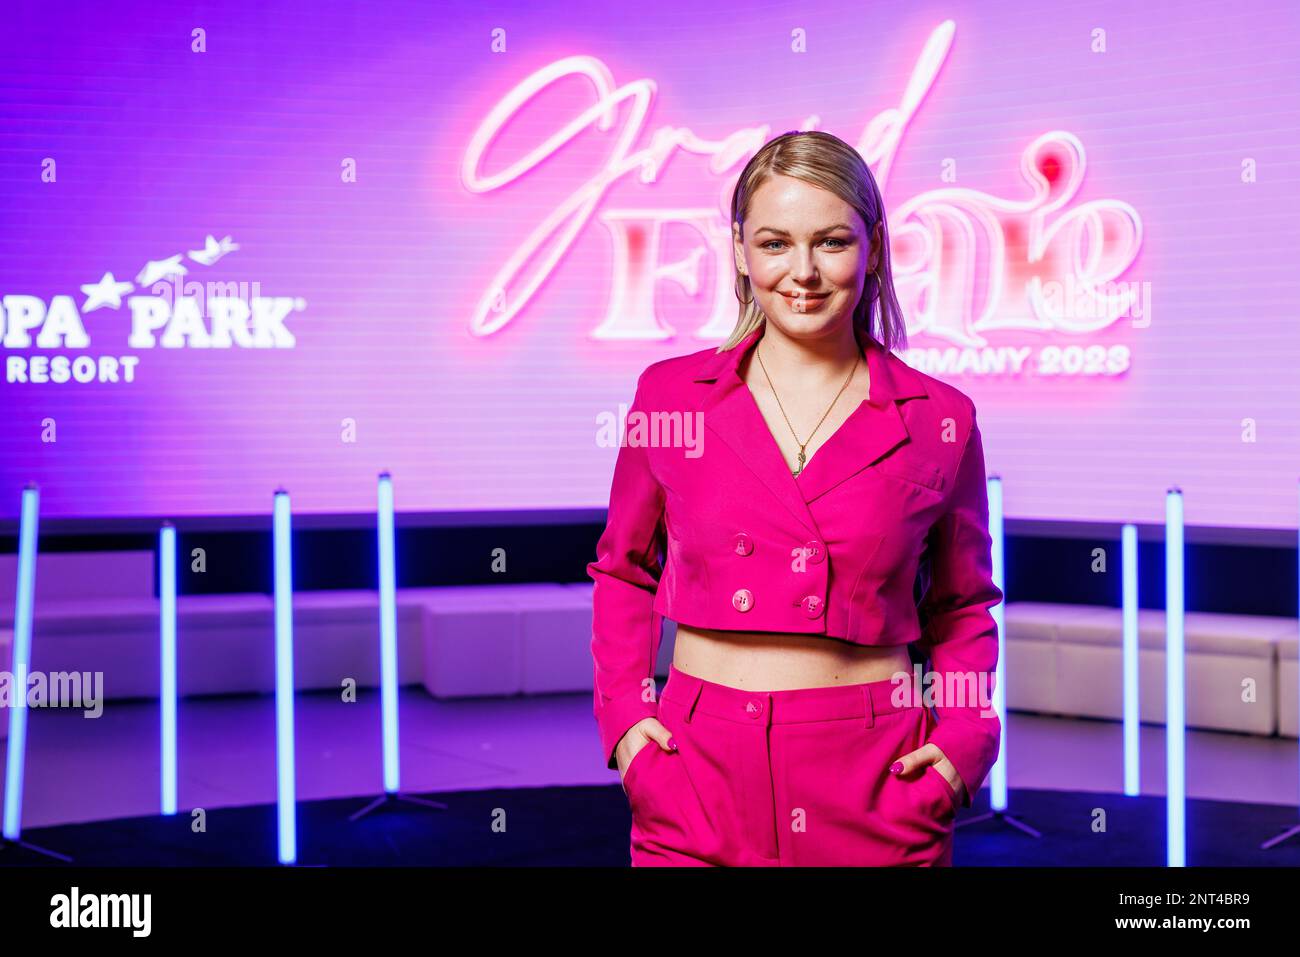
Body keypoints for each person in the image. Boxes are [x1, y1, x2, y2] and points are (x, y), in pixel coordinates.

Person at [588, 130, 1003, 866]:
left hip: (877, 770)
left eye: (832, 242)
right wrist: (625, 720)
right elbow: (623, 570)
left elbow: (962, 604)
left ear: (873, 247)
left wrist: (962, 740)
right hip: (694, 765)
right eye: (776, 243)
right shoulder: (670, 395)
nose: (803, 272)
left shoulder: (940, 417)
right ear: (741, 251)